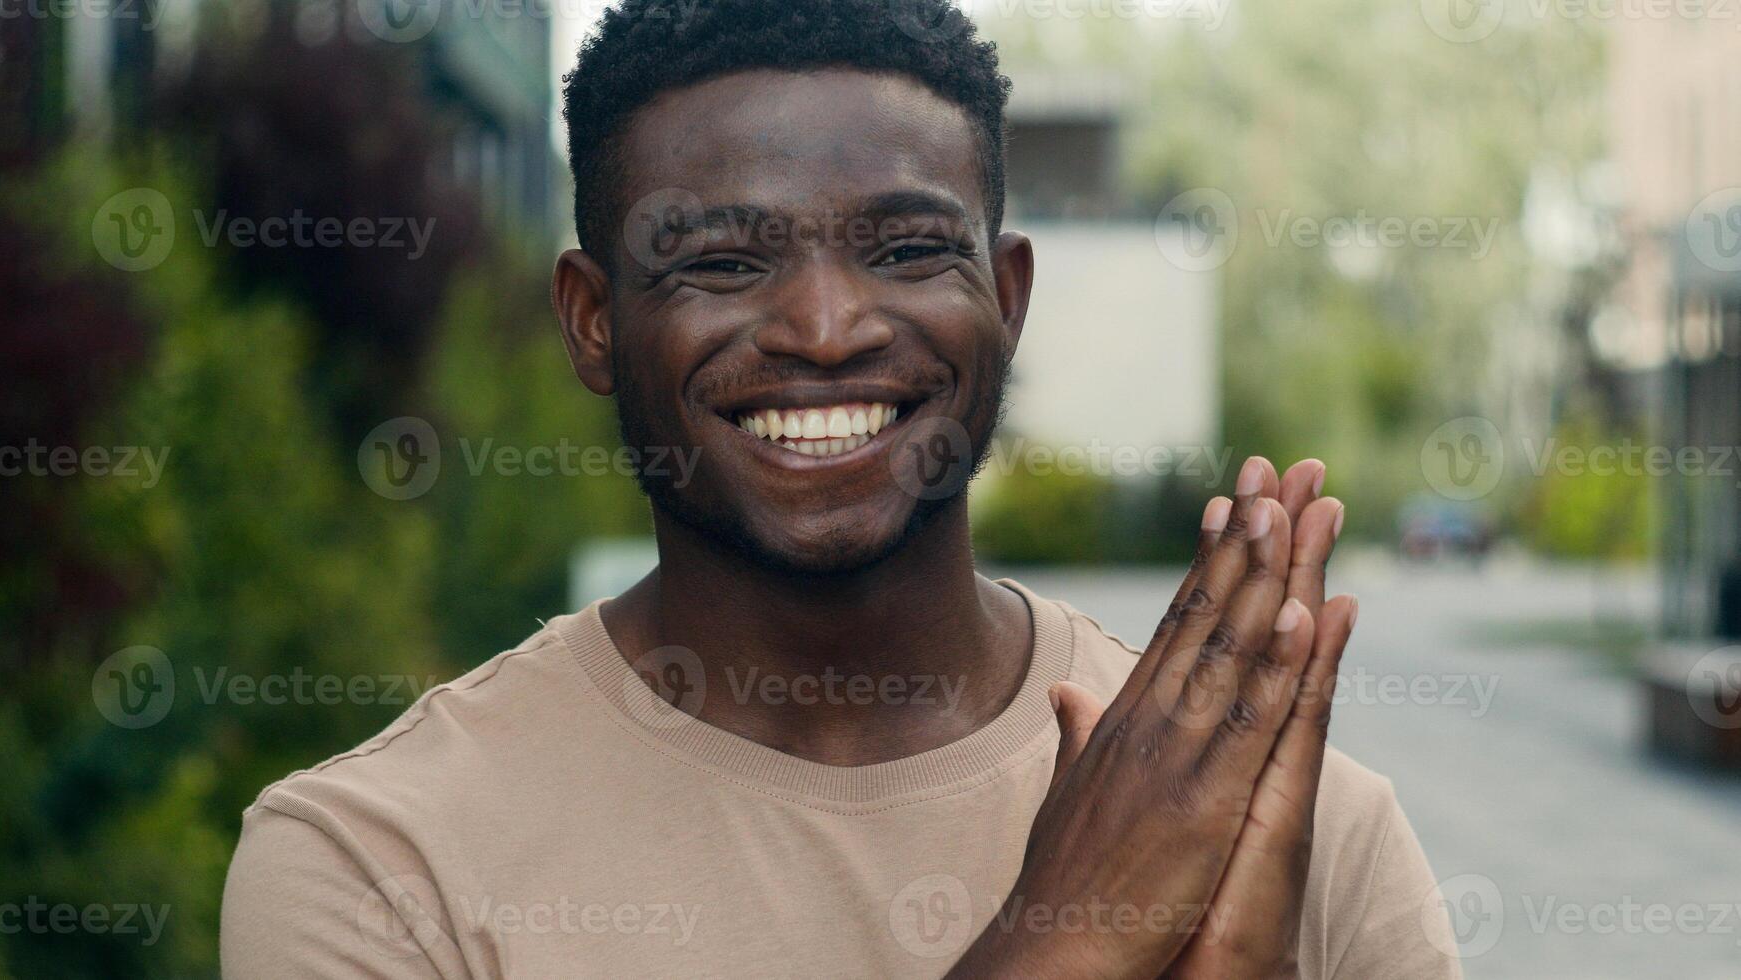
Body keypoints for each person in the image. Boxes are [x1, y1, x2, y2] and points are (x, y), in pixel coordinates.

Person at [220, 1, 1460, 975]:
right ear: (593, 321)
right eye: (720, 261)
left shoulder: (1291, 829)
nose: (823, 328)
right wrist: (1066, 937)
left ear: (1005, 298)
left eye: (908, 249)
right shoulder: (378, 864)